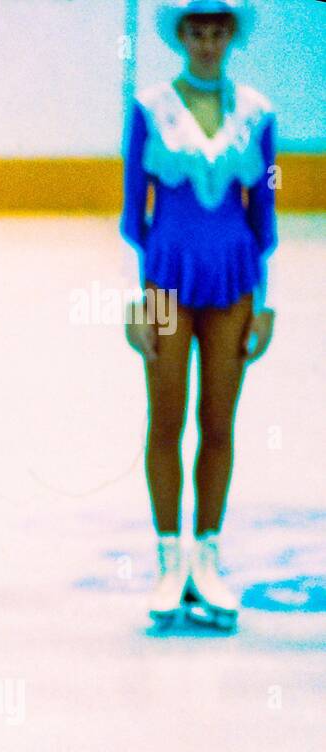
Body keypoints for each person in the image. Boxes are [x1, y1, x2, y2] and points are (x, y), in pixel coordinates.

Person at [122, 0, 275, 630]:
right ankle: (168, 558)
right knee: (165, 414)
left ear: (231, 36)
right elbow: (136, 214)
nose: (207, 41)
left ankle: (208, 553)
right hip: (164, 279)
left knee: (218, 419)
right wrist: (139, 299)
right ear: (181, 36)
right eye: (196, 30)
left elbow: (263, 212)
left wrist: (263, 303)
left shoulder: (258, 113)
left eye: (217, 30)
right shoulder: (149, 108)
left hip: (236, 281)